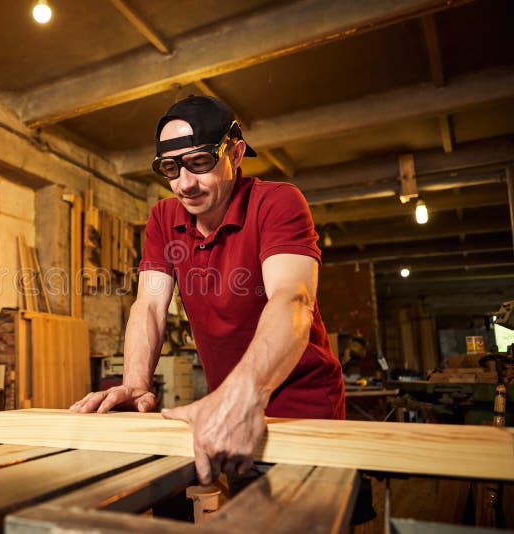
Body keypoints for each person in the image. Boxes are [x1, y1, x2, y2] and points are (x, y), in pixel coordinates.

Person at [70, 95, 344, 487]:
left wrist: (244, 394)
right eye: (170, 168)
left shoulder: (277, 202)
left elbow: (292, 298)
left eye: (199, 163)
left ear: (235, 152)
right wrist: (134, 383)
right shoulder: (164, 219)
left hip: (299, 410)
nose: (184, 184)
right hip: (228, 408)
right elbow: (149, 304)